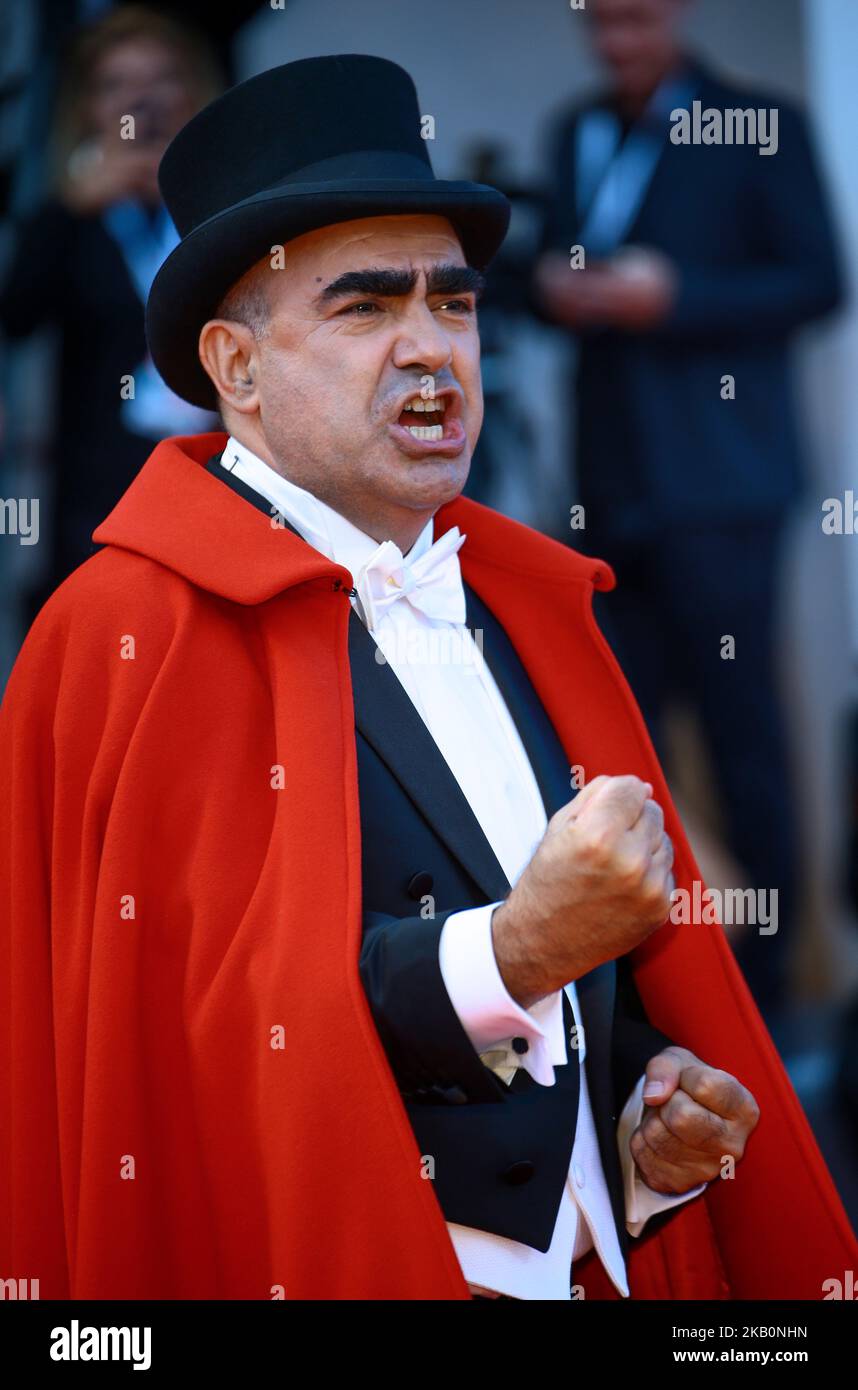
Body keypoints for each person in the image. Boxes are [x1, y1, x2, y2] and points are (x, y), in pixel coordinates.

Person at [1, 54, 854, 1302]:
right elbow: (196, 1058)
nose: (431, 350)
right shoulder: (120, 630)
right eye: (363, 308)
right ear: (235, 368)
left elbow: (590, 1004)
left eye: (451, 304)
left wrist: (647, 1111)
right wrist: (510, 953)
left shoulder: (531, 599)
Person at [533, 0, 844, 1015]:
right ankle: (662, 987)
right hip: (609, 483)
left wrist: (676, 297)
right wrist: (551, 286)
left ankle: (772, 994)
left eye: (636, 19)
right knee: (619, 735)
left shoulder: (759, 120)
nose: (617, 42)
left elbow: (817, 281)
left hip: (721, 482)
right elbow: (558, 266)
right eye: (600, 23)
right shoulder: (574, 125)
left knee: (742, 729)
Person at [0, 5, 222, 625]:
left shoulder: (227, 212)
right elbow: (17, 315)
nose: (141, 100)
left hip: (220, 465)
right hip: (99, 480)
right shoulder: (73, 215)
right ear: (89, 106)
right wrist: (67, 209)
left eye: (160, 78)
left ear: (193, 90)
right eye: (117, 84)